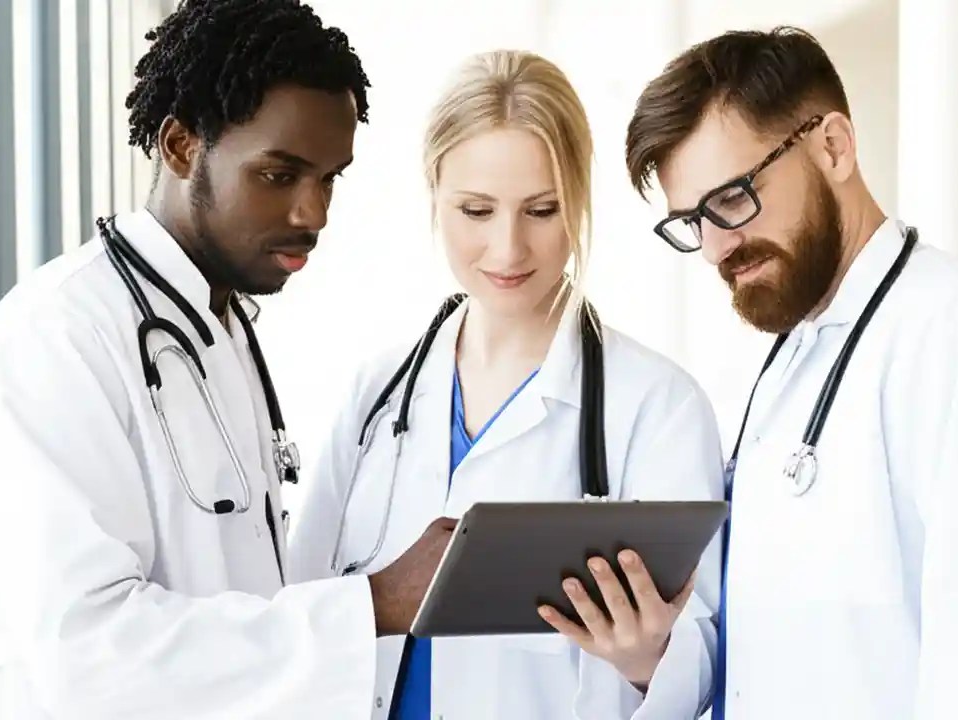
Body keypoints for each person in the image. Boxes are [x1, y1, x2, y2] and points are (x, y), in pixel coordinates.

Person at [0, 2, 454, 718]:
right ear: (181, 145)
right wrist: (374, 602)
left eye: (330, 178)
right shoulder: (53, 341)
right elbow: (82, 652)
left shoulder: (221, 327)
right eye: (280, 175)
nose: (315, 214)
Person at [624, 25, 958, 720]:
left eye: (731, 197)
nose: (716, 248)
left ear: (833, 147)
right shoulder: (788, 355)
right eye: (693, 222)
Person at [288, 49, 725, 720]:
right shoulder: (378, 396)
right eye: (476, 210)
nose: (508, 249)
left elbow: (702, 659)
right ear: (434, 190)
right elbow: (303, 612)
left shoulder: (657, 408)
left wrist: (648, 660)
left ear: (578, 197)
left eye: (542, 210)